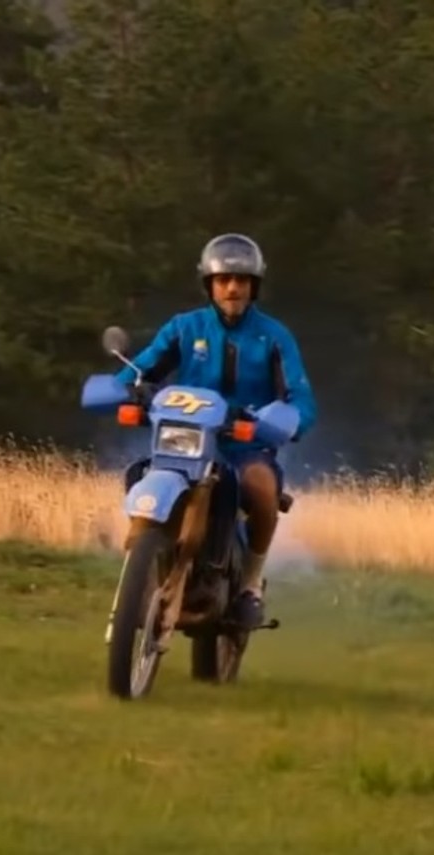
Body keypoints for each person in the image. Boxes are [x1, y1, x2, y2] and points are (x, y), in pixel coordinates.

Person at [114, 233, 318, 627]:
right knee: (139, 475)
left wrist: (288, 420)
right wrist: (123, 388)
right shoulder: (183, 328)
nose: (232, 288)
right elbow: (140, 368)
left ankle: (250, 585)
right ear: (209, 284)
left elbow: (300, 397)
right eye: (223, 279)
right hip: (183, 440)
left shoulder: (274, 337)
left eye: (242, 280)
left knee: (261, 488)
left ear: (254, 286)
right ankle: (142, 566)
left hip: (244, 444)